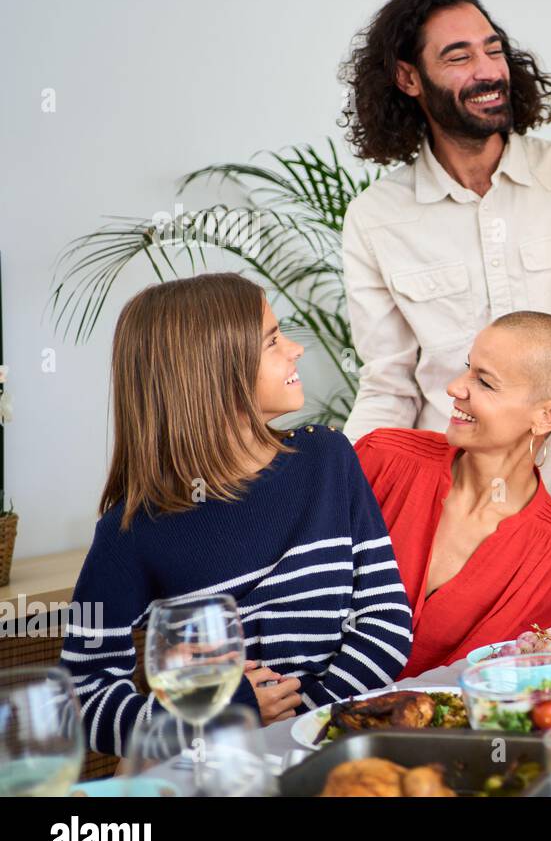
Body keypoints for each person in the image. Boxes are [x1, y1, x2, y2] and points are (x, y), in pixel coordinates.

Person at [61, 274, 412, 757]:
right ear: (211, 371)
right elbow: (84, 698)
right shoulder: (132, 530)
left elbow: (386, 621)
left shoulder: (328, 459)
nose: (296, 350)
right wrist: (224, 717)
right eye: (272, 341)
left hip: (335, 746)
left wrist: (306, 724)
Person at [338, 0, 551, 542]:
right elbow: (388, 383)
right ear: (408, 78)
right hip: (450, 514)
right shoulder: (375, 219)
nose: (488, 70)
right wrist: (342, 493)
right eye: (459, 55)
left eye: (493, 49)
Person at [355, 312, 551, 676]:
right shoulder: (380, 458)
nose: (454, 387)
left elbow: (484, 684)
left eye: (484, 382)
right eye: (468, 369)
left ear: (547, 415)